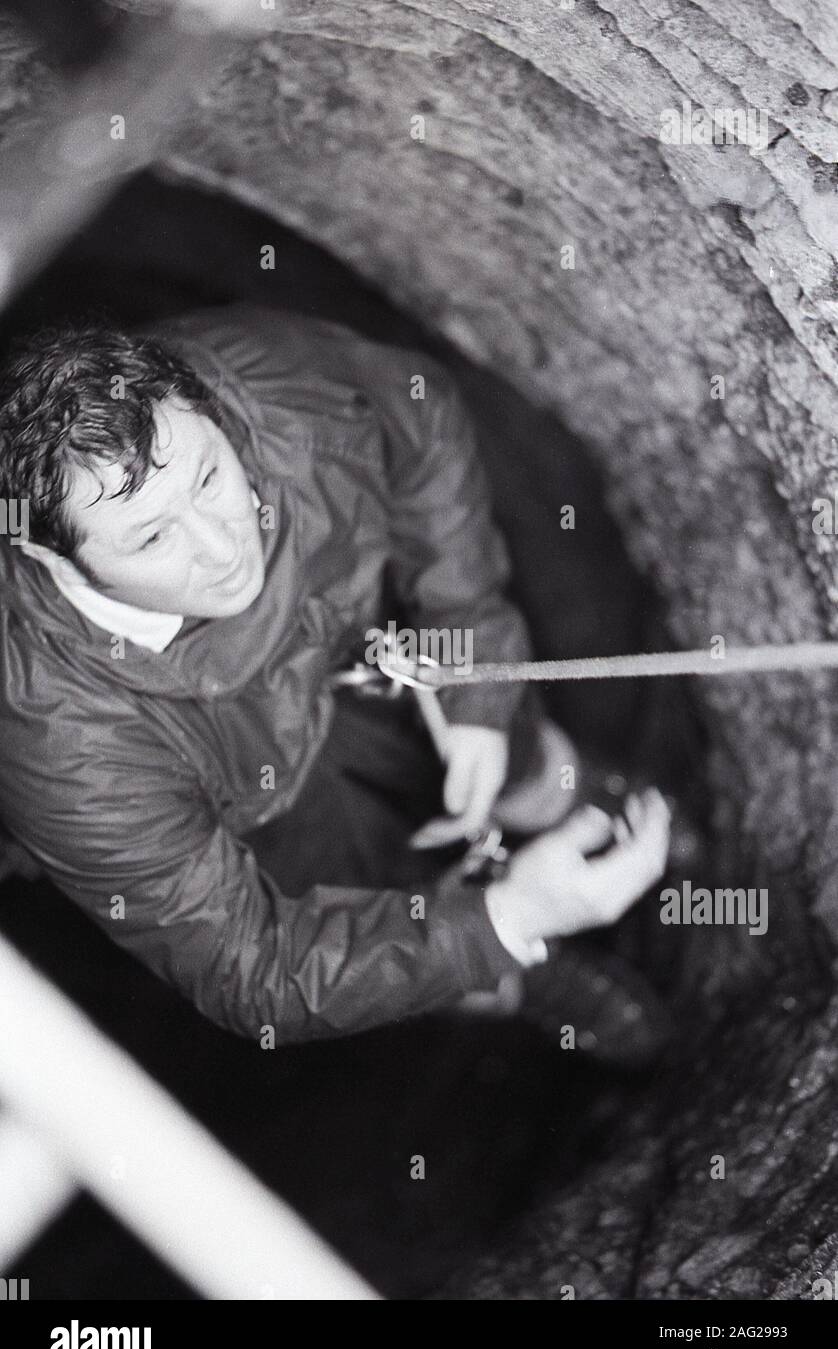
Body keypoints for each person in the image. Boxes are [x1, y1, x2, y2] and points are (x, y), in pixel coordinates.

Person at [0, 303, 670, 1050]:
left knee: (500, 731)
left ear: (203, 406)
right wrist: (507, 921)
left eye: (209, 477)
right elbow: (251, 966)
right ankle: (513, 976)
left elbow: (420, 421)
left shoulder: (274, 377)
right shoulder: (57, 740)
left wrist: (469, 661)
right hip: (240, 792)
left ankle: (574, 798)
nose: (223, 547)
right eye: (153, 537)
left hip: (356, 645)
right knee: (363, 897)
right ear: (52, 556)